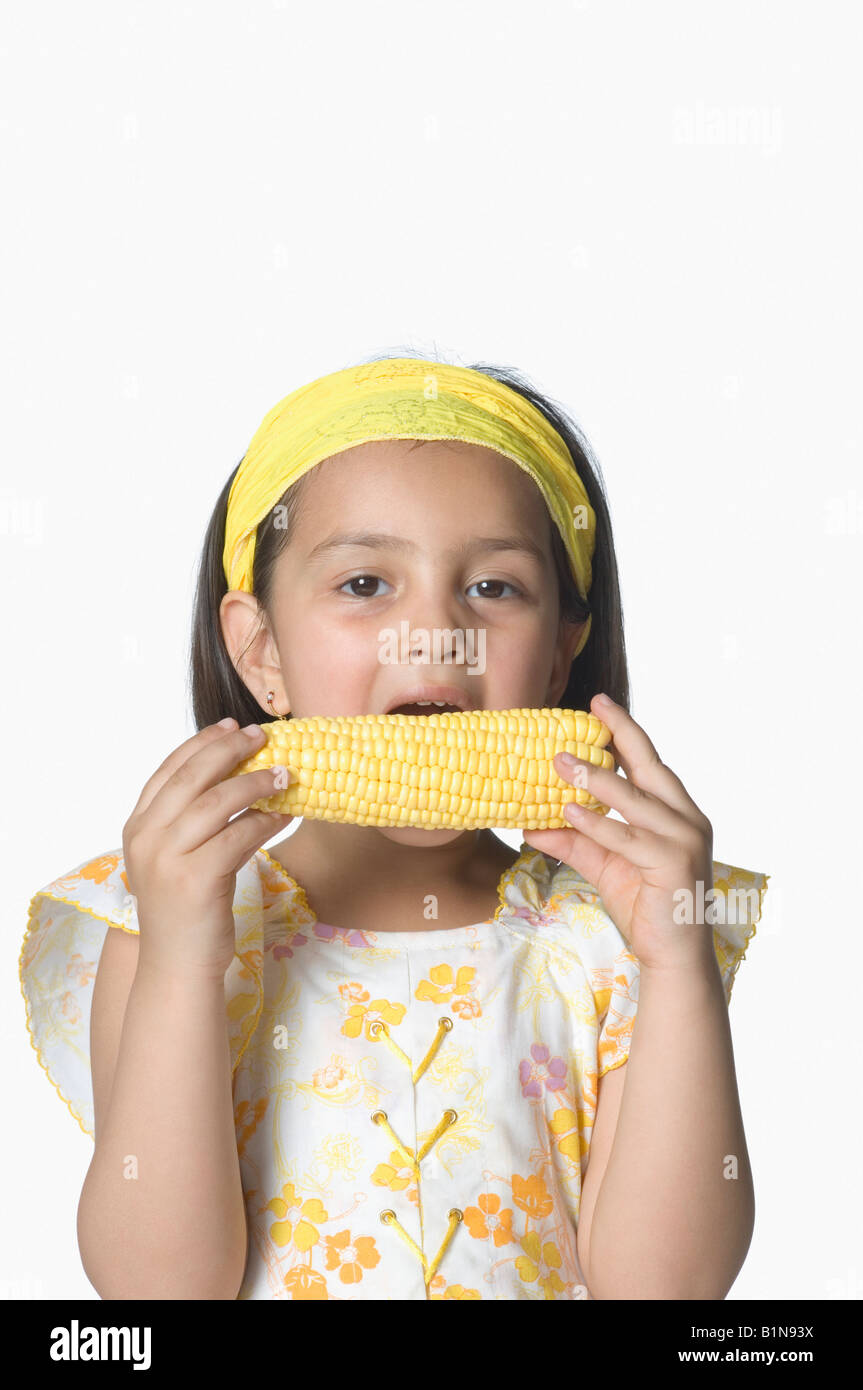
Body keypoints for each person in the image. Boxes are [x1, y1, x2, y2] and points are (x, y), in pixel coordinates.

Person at [20, 353, 769, 1300]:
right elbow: (156, 1293)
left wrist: (676, 967)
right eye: (366, 584)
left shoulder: (606, 943)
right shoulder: (177, 928)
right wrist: (182, 962)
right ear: (261, 652)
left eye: (493, 588)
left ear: (557, 660)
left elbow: (667, 1293)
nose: (430, 633)